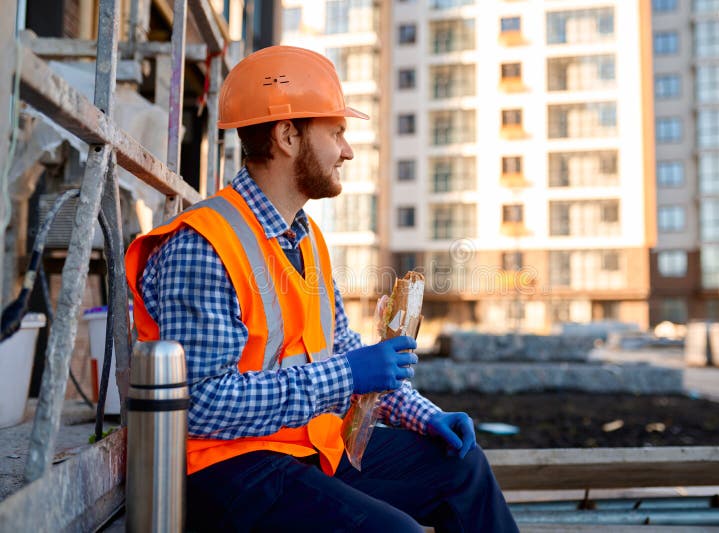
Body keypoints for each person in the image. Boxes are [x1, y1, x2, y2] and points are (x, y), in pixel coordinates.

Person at [125, 45, 518, 532]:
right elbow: (201, 404)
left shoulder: (305, 238)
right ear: (288, 135)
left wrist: (423, 414)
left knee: (462, 467)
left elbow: (343, 351)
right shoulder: (203, 245)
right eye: (336, 133)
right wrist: (348, 374)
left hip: (302, 447)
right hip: (227, 473)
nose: (347, 151)